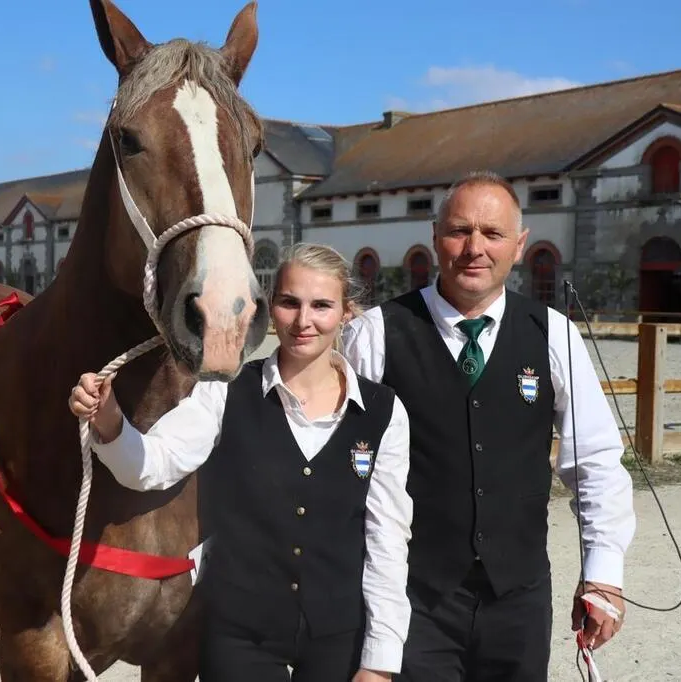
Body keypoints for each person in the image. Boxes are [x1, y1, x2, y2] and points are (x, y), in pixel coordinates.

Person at [69, 243, 413, 681]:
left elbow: (387, 543)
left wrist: (379, 664)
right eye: (289, 302)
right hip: (239, 639)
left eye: (322, 305)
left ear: (347, 312)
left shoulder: (385, 412)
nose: (303, 321)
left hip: (338, 638)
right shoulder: (224, 393)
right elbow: (152, 465)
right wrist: (110, 420)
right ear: (270, 308)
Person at [342, 170, 636, 681]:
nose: (475, 247)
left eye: (493, 234)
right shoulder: (373, 335)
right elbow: (343, 468)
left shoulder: (554, 335)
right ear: (435, 239)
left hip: (517, 601)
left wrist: (603, 575)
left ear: (519, 246)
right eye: (459, 231)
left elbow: (594, 461)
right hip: (413, 599)